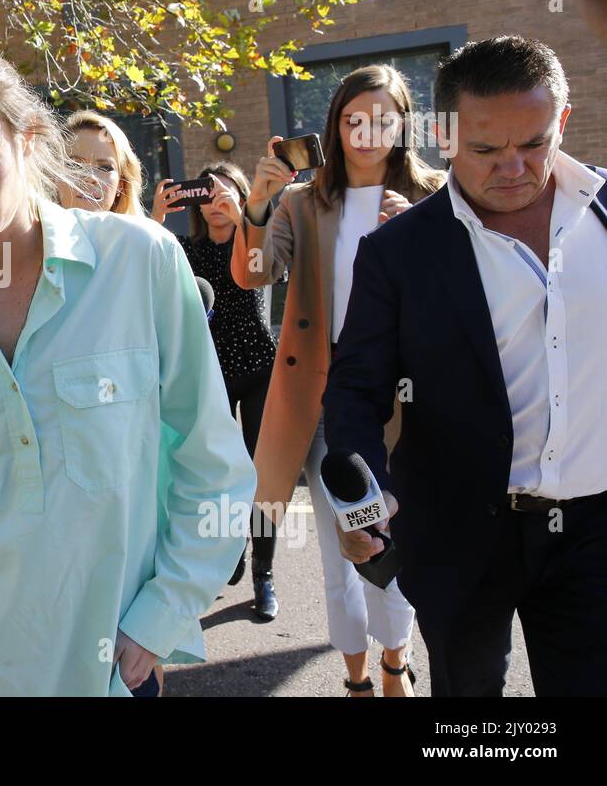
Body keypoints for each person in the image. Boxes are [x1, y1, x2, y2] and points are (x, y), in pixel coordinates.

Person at [0, 35, 255, 696]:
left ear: (30, 139)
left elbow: (212, 461)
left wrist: (161, 616)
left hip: (112, 674)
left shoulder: (140, 262)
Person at [326, 36, 607, 696]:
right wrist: (362, 491)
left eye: (534, 143)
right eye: (485, 149)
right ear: (445, 135)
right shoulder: (397, 252)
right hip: (461, 536)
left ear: (561, 122)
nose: (513, 166)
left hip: (595, 534)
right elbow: (357, 387)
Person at [231, 64, 444, 696]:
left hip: (406, 397)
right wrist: (258, 205)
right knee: (338, 548)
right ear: (336, 124)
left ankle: (394, 662)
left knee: (391, 535)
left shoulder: (434, 195)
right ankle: (354, 676)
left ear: (404, 124)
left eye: (382, 118)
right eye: (354, 119)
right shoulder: (303, 200)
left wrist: (419, 236)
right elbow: (251, 274)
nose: (367, 131)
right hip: (323, 392)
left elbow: (457, 296)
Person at [151, 164, 280, 620]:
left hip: (263, 369)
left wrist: (246, 219)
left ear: (241, 195)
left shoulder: (255, 242)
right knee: (219, 475)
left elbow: (267, 269)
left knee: (263, 476)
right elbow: (145, 273)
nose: (212, 200)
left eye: (221, 191)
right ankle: (231, 552)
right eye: (203, 193)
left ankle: (264, 575)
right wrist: (154, 222)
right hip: (212, 375)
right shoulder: (184, 250)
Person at [57, 110, 146, 216]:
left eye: (105, 168)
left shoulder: (145, 232)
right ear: (54, 175)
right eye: (75, 165)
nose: (90, 177)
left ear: (121, 184)